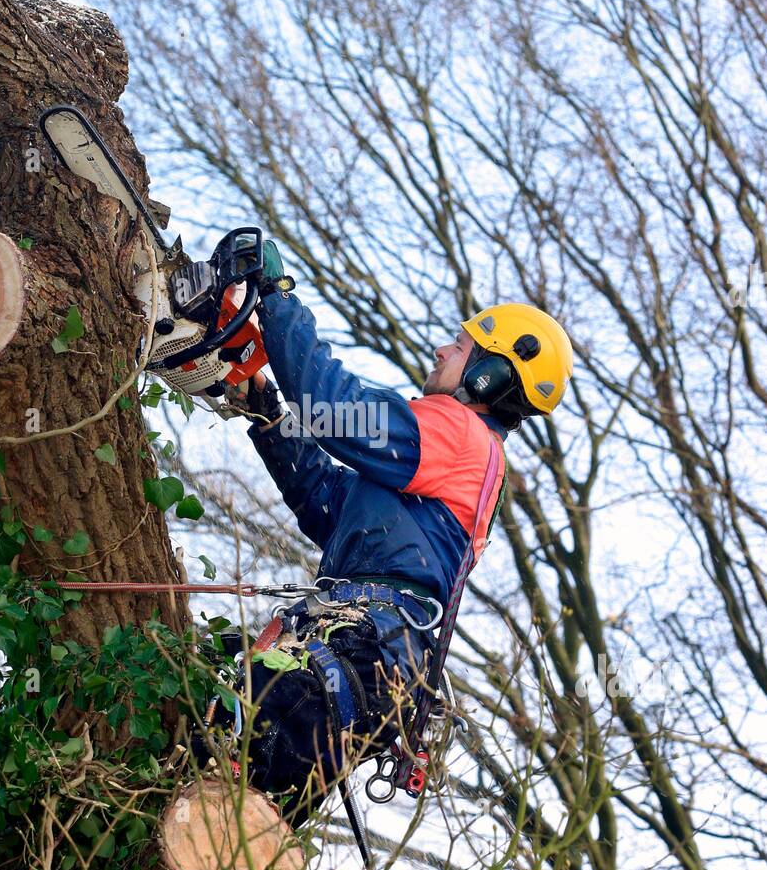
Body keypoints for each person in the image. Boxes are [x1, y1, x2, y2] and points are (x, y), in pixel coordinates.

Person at [219, 242, 573, 825]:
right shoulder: (449, 468)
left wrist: (279, 300)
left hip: (361, 651)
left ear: (488, 375)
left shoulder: (461, 435)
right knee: (229, 745)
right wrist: (267, 412)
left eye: (458, 347)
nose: (440, 349)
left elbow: (332, 406)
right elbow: (328, 505)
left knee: (244, 728)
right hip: (358, 659)